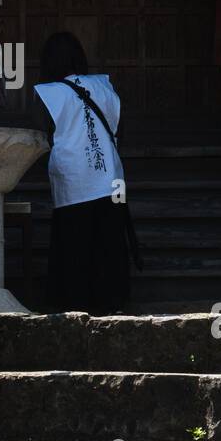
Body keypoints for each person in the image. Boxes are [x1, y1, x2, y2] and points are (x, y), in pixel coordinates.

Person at [34, 32, 133, 315]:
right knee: (110, 240)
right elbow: (119, 128)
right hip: (111, 177)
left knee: (74, 242)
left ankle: (74, 302)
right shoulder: (103, 86)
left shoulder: (49, 93)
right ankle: (112, 300)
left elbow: (44, 134)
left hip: (74, 177)